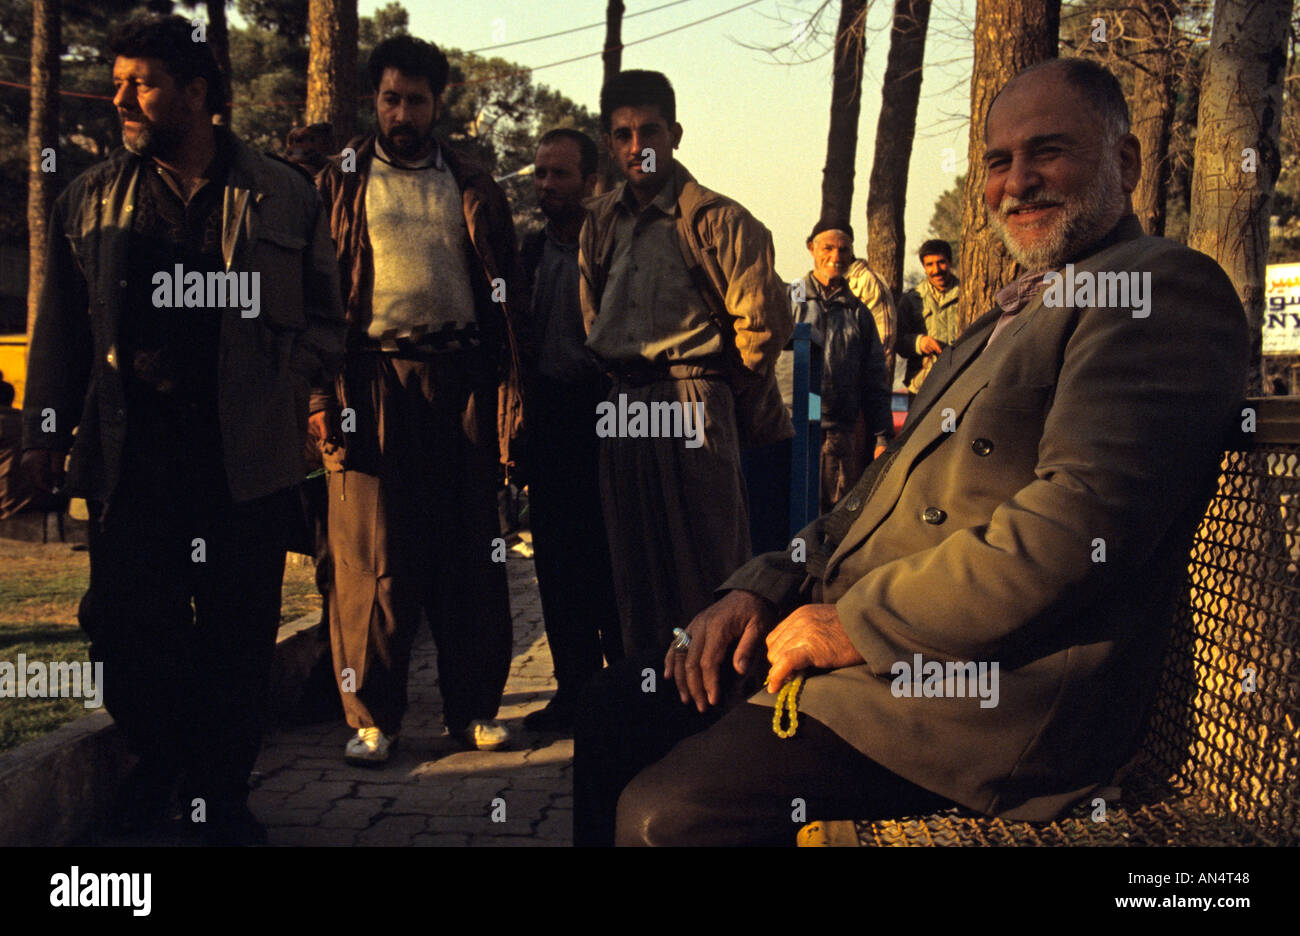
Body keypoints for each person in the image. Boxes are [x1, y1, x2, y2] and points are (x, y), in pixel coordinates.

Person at [573, 57, 1249, 846]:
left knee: (667, 818)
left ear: (1126, 162)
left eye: (1048, 153)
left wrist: (857, 624)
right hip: (876, 654)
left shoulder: (1155, 285)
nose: (1018, 182)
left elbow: (1074, 530)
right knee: (616, 705)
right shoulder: (1019, 306)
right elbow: (872, 496)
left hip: (979, 704)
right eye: (999, 162)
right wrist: (759, 589)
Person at [21, 14, 346, 845]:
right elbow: (58, 331)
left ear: (198, 93)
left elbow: (326, 313)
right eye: (119, 80)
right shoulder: (86, 198)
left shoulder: (285, 194)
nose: (122, 97)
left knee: (238, 641)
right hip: (134, 455)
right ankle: (161, 762)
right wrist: (40, 437)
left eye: (142, 82)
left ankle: (219, 799)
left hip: (245, 458)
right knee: (127, 632)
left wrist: (292, 378)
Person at [314, 35, 527, 762]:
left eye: (416, 100)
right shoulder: (340, 180)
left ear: (438, 104)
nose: (401, 112)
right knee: (374, 559)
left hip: (463, 381)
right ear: (374, 100)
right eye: (390, 98)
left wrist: (508, 396)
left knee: (472, 550)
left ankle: (474, 711)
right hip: (373, 380)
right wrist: (320, 397)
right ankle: (373, 717)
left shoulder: (471, 180)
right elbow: (315, 299)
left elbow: (508, 296)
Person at [579, 70, 793, 661]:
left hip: (695, 400)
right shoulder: (597, 222)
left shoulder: (720, 220)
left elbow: (762, 328)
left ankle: (716, 714)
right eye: (621, 134)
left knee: (709, 565)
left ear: (674, 133)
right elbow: (592, 313)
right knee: (635, 569)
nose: (635, 145)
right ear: (610, 142)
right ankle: (649, 716)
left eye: (648, 130)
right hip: (624, 404)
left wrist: (716, 394)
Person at [519, 128, 623, 733]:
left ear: (589, 181)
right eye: (540, 174)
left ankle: (614, 692)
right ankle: (572, 690)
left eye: (560, 175)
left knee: (609, 561)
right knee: (557, 566)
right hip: (549, 423)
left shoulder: (612, 248)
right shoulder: (528, 255)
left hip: (605, 419)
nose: (548, 186)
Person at [782, 219, 893, 514]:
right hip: (788, 428)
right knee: (786, 512)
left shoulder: (859, 313)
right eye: (828, 247)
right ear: (811, 248)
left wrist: (882, 436)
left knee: (832, 518)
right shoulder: (788, 299)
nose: (836, 256)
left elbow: (875, 381)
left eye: (844, 250)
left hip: (837, 434)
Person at [897, 239, 961, 394]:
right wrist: (919, 342)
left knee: (950, 419)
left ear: (950, 262)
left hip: (959, 383)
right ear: (924, 267)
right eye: (929, 265)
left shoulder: (967, 295)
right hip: (922, 386)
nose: (936, 269)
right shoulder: (912, 300)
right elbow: (898, 341)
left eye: (941, 262)